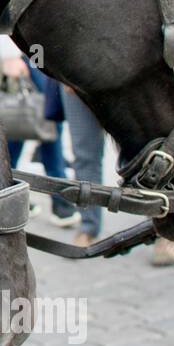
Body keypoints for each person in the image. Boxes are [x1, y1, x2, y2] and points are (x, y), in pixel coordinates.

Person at [0, 36, 79, 227]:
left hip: (41, 47)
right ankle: (60, 203)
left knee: (26, 122)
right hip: (33, 48)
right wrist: (10, 55)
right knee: (43, 119)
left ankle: (6, 189)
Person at [60, 88, 105, 249]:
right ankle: (88, 227)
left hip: (132, 75)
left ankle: (163, 225)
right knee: (84, 156)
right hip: (76, 79)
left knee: (145, 153)